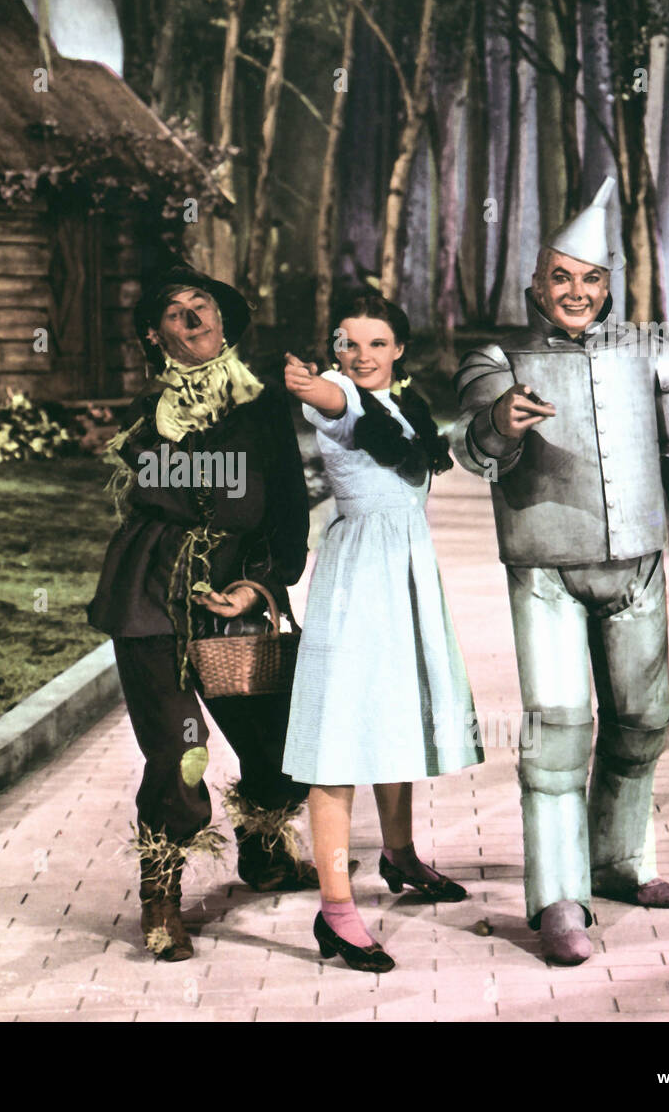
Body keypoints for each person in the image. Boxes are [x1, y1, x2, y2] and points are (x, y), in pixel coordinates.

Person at [452, 178, 669, 965]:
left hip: (637, 568)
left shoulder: (658, 355)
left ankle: (621, 859)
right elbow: (473, 449)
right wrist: (502, 421)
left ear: (611, 284)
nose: (575, 291)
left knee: (642, 721)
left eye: (590, 278)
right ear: (536, 284)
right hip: (546, 572)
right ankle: (559, 896)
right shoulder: (499, 356)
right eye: (560, 277)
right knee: (560, 728)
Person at [87, 263, 320, 963]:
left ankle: (265, 847)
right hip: (152, 597)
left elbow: (283, 509)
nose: (194, 319)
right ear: (156, 336)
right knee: (181, 750)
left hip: (235, 592)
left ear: (223, 322)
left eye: (204, 307)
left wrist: (261, 584)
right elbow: (166, 500)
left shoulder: (263, 407)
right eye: (175, 312)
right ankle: (161, 898)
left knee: (275, 734)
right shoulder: (145, 418)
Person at [282, 289, 483, 972]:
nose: (360, 356)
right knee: (339, 738)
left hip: (404, 576)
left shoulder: (404, 403)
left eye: (375, 343)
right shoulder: (336, 392)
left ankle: (399, 854)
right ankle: (335, 910)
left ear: (398, 348)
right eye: (347, 342)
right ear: (332, 351)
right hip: (357, 580)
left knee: (396, 716)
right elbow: (336, 404)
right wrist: (315, 383)